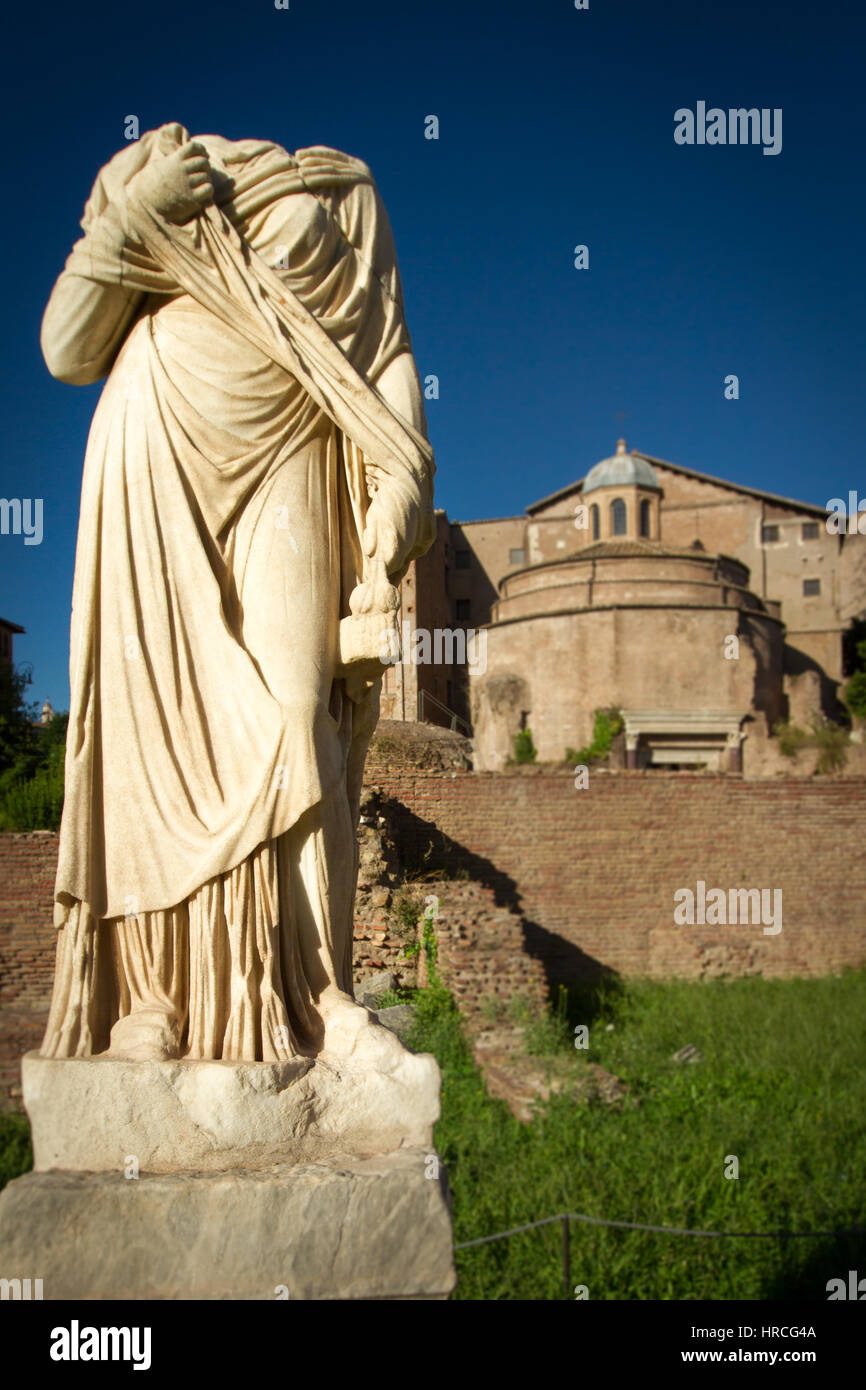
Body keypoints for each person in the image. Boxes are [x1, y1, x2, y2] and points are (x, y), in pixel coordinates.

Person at [39, 123, 435, 1064]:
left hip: (293, 447)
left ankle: (320, 995)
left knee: (299, 711)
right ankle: (152, 1001)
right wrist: (136, 215)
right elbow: (66, 347)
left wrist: (403, 487)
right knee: (153, 735)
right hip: (159, 438)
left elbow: (384, 356)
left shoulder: (347, 191)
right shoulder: (153, 166)